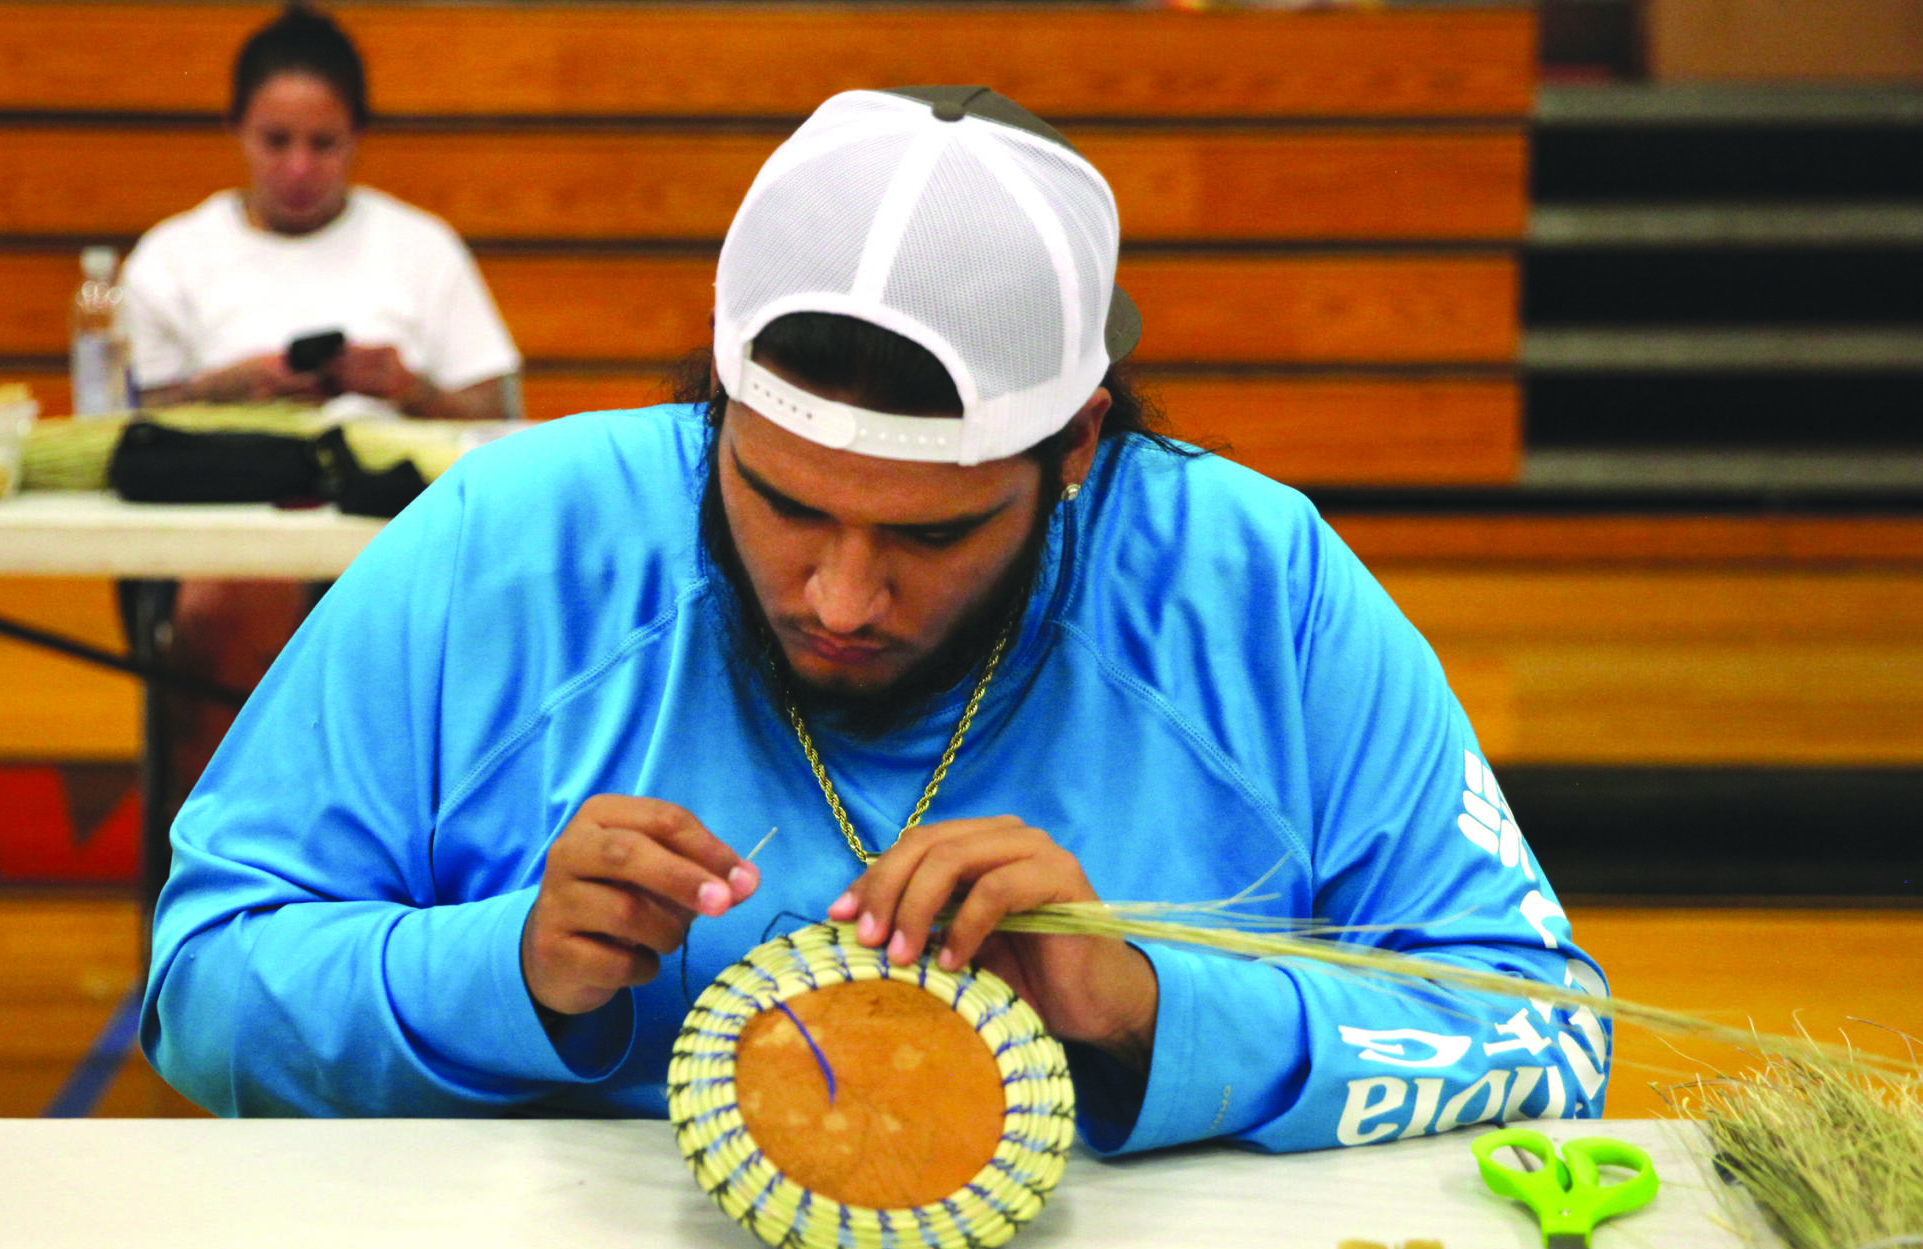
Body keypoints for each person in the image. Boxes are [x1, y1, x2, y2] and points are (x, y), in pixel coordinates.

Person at [143, 87, 1610, 1152]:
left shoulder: (1254, 591)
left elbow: (1548, 1028)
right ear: (713, 414)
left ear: (1078, 447)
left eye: (935, 530)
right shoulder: (505, 543)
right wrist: (503, 971)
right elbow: (200, 985)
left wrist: (1149, 1004)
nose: (843, 598)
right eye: (781, 506)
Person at [116, 3, 522, 806]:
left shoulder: (421, 247)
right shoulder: (173, 258)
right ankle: (232, 855)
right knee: (236, 593)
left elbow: (498, 409)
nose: (299, 166)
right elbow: (131, 430)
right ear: (236, 129)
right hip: (230, 526)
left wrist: (407, 389)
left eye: (323, 143)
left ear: (356, 138)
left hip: (393, 521)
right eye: (276, 141)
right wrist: (224, 391)